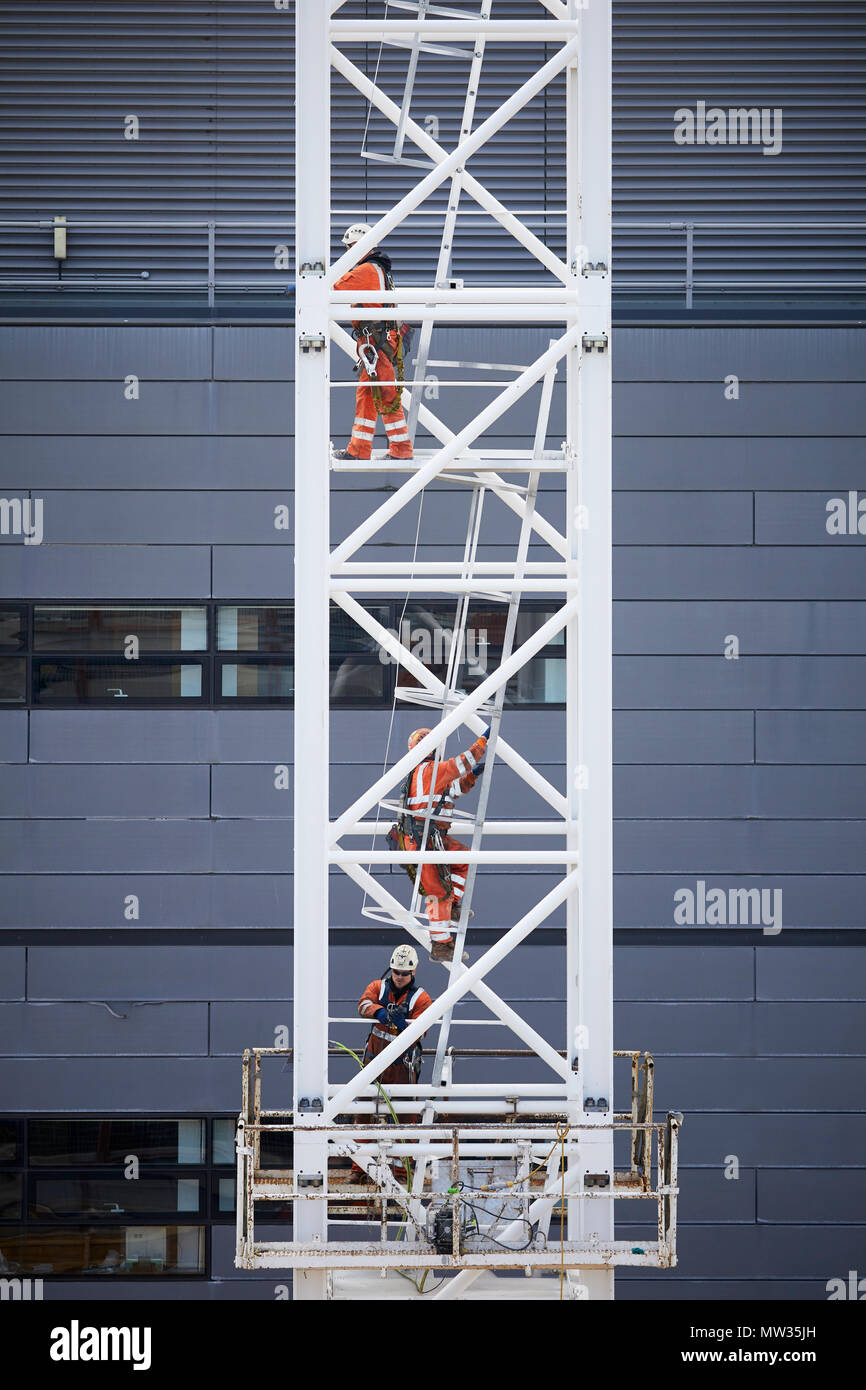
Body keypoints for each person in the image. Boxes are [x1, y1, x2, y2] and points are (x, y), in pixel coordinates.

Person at [403, 726, 487, 962]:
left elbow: (453, 790)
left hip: (431, 837)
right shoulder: (428, 770)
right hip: (422, 841)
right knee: (437, 893)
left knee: (464, 860)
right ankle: (441, 946)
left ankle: (455, 908)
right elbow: (460, 763)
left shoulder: (426, 774)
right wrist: (482, 742)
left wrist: (473, 775)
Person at [332, 223, 413, 461]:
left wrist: (310, 283)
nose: (346, 253)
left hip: (378, 342)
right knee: (368, 394)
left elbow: (336, 286)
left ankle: (400, 450)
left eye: (348, 248)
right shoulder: (378, 269)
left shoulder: (366, 270)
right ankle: (360, 450)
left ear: (358, 247)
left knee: (385, 394)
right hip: (378, 342)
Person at [352, 944, 432, 1179]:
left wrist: (402, 1024)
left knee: (405, 1117)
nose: (398, 977)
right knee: (363, 1114)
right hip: (374, 1063)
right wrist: (379, 1013)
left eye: (403, 973)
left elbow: (421, 1030)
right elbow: (363, 1004)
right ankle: (360, 1168)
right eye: (396, 972)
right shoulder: (377, 987)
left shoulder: (421, 998)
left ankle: (400, 1170)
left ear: (413, 972)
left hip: (403, 1067)